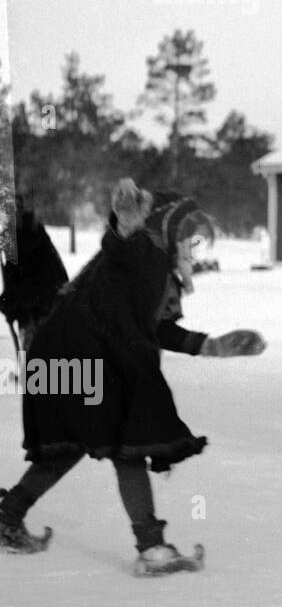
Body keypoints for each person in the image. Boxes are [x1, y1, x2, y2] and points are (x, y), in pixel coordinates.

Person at [0, 179, 266, 574]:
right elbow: (122, 249)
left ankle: (7, 519)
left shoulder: (156, 271)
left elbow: (157, 328)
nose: (192, 245)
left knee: (69, 445)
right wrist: (126, 225)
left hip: (60, 354)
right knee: (128, 444)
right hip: (80, 355)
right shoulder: (145, 252)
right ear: (167, 230)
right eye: (188, 236)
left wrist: (210, 345)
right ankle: (152, 548)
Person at [0, 194, 69, 352]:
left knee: (38, 359)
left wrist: (13, 301)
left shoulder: (29, 238)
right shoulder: (19, 240)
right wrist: (9, 302)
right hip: (37, 312)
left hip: (40, 313)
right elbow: (12, 281)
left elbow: (52, 279)